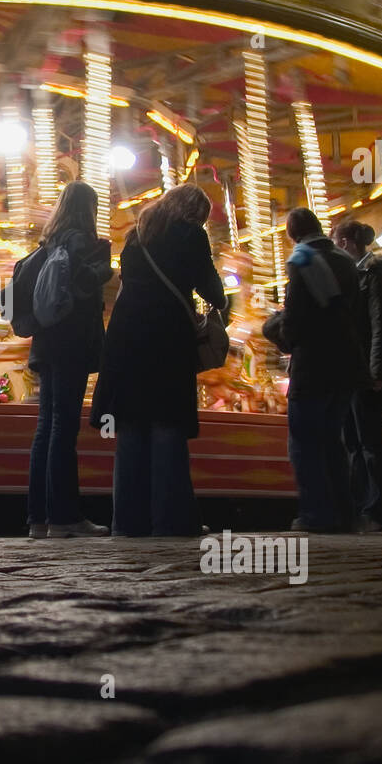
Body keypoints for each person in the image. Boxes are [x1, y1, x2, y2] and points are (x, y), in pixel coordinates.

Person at [91, 183, 226, 537]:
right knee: (167, 425)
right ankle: (172, 520)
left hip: (125, 337)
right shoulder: (191, 235)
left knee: (131, 427)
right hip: (166, 337)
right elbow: (212, 290)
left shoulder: (138, 234)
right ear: (194, 213)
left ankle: (128, 522)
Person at [263, 208, 362, 533]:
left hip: (313, 364)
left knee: (304, 443)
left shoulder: (302, 260)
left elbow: (297, 315)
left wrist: (281, 334)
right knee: (334, 440)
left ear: (292, 234)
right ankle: (345, 513)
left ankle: (316, 514)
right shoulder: (346, 261)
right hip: (345, 362)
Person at [27, 180, 114, 538]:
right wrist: (104, 271)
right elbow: (80, 287)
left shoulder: (49, 242)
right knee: (64, 427)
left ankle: (39, 518)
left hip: (46, 343)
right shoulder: (78, 240)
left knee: (46, 427)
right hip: (70, 343)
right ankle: (64, 517)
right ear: (88, 209)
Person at [332, 218, 382, 530]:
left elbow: (381, 326)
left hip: (367, 371)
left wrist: (377, 370)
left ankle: (378, 509)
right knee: (354, 442)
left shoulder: (375, 274)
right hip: (350, 369)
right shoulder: (353, 275)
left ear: (345, 243)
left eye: (336, 243)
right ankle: (360, 504)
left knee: (371, 441)